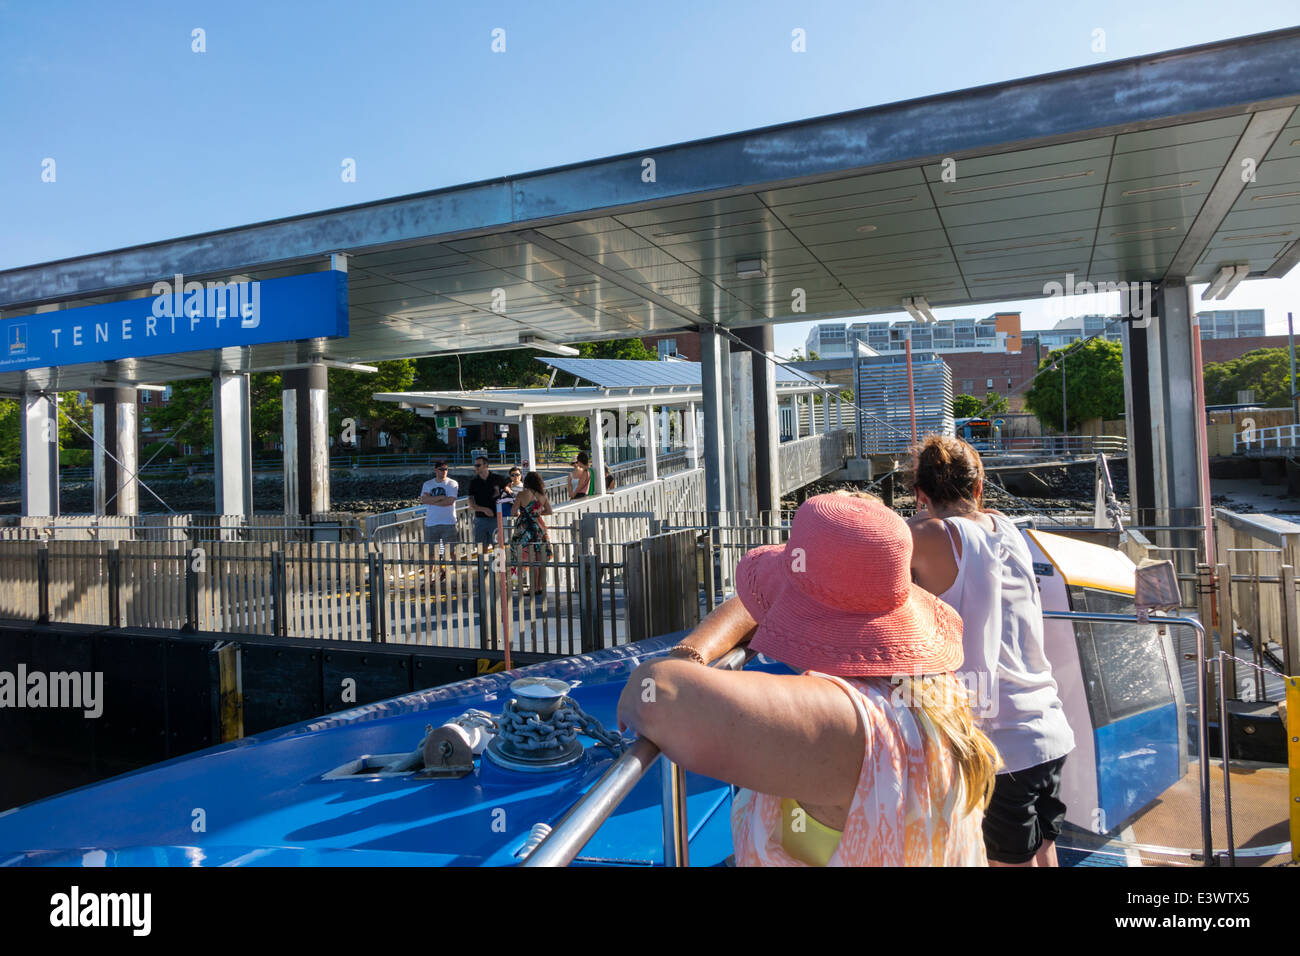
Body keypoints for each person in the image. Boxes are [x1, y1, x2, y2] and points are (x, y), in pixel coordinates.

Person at [617, 493, 997, 866]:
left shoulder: (847, 721)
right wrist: (693, 653)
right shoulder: (929, 689)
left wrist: (682, 660)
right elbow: (751, 607)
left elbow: (657, 694)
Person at [907, 434, 1076, 867]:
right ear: (980, 487)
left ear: (921, 494)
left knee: (1007, 860)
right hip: (1047, 725)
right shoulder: (1008, 527)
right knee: (1043, 849)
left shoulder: (924, 536)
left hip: (999, 742)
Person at [510, 471, 554, 593]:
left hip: (525, 528)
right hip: (539, 527)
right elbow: (549, 511)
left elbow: (513, 512)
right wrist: (537, 513)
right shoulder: (542, 495)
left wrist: (524, 514)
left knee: (531, 559)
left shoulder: (521, 494)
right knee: (540, 559)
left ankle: (533, 588)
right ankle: (540, 587)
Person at [466, 455, 508, 548]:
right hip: (480, 519)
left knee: (498, 547)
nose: (476, 468)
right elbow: (471, 502)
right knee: (481, 547)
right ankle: (482, 559)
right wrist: (484, 509)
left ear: (486, 465)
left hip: (497, 518)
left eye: (478, 465)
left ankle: (498, 558)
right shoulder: (474, 482)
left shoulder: (498, 479)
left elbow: (508, 494)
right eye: (475, 465)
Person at [417, 462, 459, 552]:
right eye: (441, 469)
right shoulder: (428, 484)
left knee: (451, 552)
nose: (444, 471)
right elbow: (424, 500)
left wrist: (431, 500)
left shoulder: (452, 483)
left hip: (449, 523)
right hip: (431, 523)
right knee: (431, 553)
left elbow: (449, 501)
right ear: (435, 470)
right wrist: (441, 497)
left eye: (446, 469)